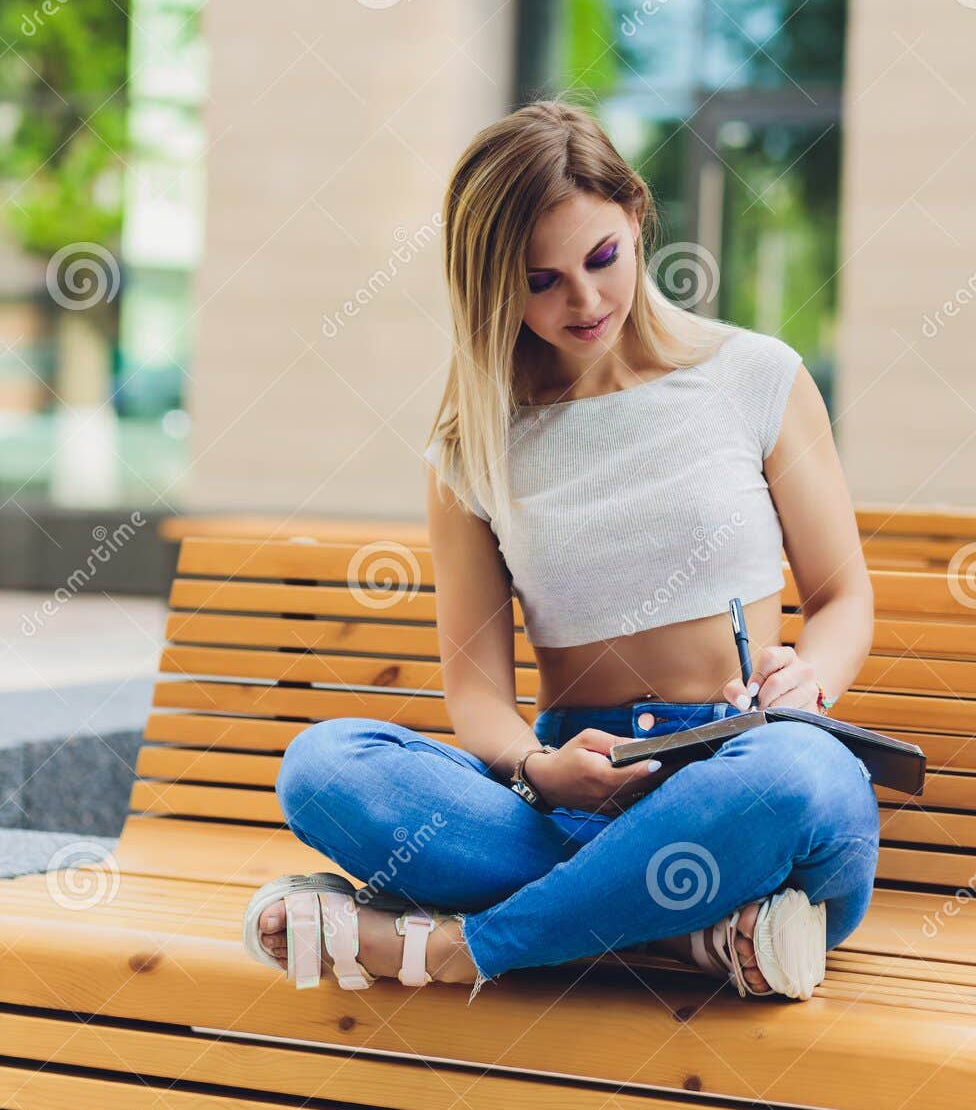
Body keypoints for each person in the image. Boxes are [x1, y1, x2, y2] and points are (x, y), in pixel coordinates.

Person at [243, 100, 880, 1005]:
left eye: (601, 259)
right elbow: (475, 693)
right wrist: (539, 771)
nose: (583, 302)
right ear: (491, 287)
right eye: (540, 281)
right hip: (575, 805)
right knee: (325, 767)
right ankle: (692, 932)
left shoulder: (754, 377)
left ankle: (464, 947)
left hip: (742, 785)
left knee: (800, 774)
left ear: (634, 218)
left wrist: (807, 683)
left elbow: (842, 595)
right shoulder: (474, 446)